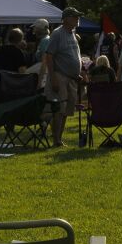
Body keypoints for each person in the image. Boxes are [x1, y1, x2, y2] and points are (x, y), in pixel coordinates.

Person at [45, 8, 84, 147]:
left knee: (67, 109)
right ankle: (56, 140)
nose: (77, 19)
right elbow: (49, 55)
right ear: (66, 18)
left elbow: (72, 54)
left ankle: (59, 139)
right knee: (59, 109)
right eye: (75, 17)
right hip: (60, 76)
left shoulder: (72, 33)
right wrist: (53, 77)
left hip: (71, 78)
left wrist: (77, 73)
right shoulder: (57, 34)